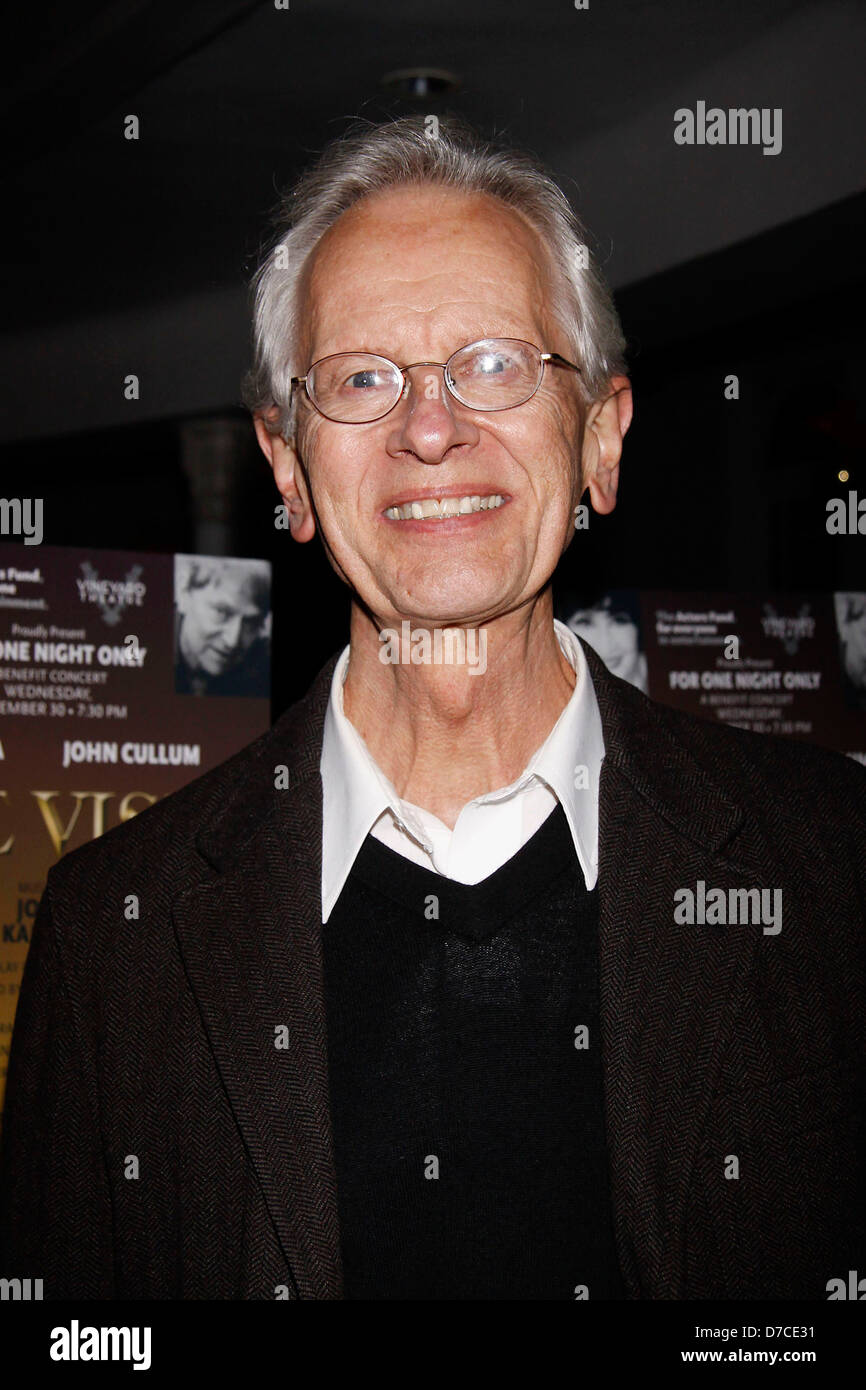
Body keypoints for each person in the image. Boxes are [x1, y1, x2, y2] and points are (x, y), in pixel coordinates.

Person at [1, 116, 864, 1301]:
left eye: (495, 362)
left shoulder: (828, 859)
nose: (427, 427)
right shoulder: (114, 935)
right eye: (360, 379)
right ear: (289, 468)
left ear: (602, 436)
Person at [174, 555, 271, 697]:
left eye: (251, 622)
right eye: (222, 612)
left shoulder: (263, 670)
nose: (232, 641)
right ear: (183, 593)